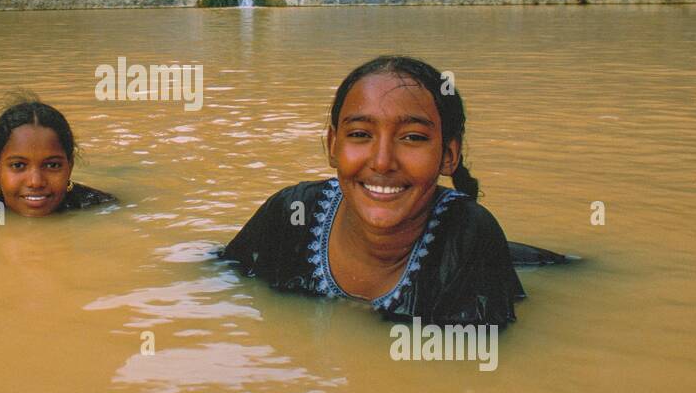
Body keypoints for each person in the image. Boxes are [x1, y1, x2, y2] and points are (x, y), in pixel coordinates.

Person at [220, 56, 572, 327]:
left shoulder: (468, 236)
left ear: (448, 156)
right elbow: (218, 278)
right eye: (360, 134)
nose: (383, 161)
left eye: (413, 138)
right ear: (332, 146)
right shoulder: (291, 212)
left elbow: (466, 369)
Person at [0, 95, 115, 217]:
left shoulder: (104, 209)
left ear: (70, 166)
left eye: (52, 165)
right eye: (18, 165)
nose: (36, 182)